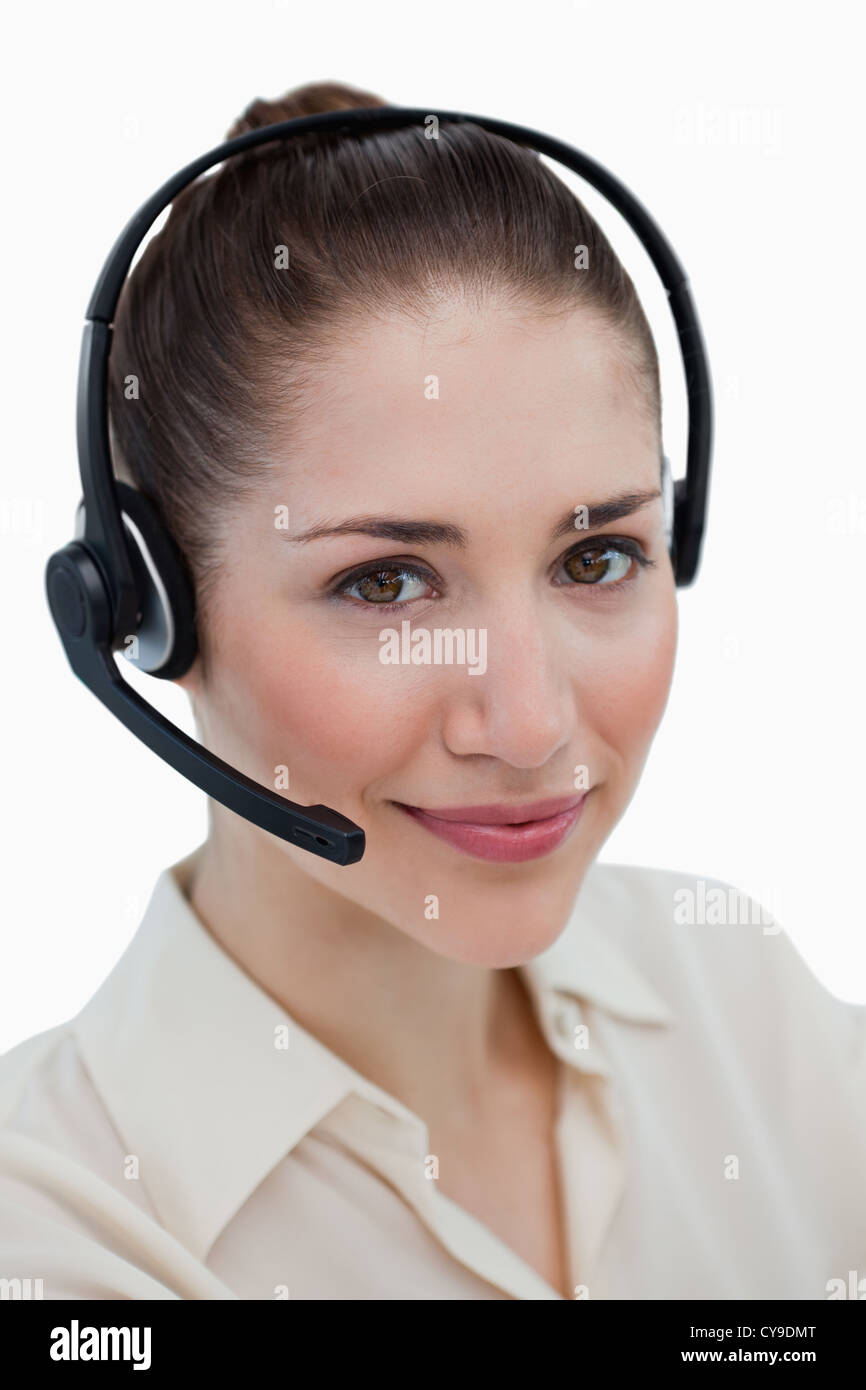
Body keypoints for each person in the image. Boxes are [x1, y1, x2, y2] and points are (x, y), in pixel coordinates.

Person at [1, 80, 864, 1302]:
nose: (528, 724)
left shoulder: (738, 998)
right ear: (141, 608)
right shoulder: (57, 1231)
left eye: (595, 557)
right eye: (386, 584)